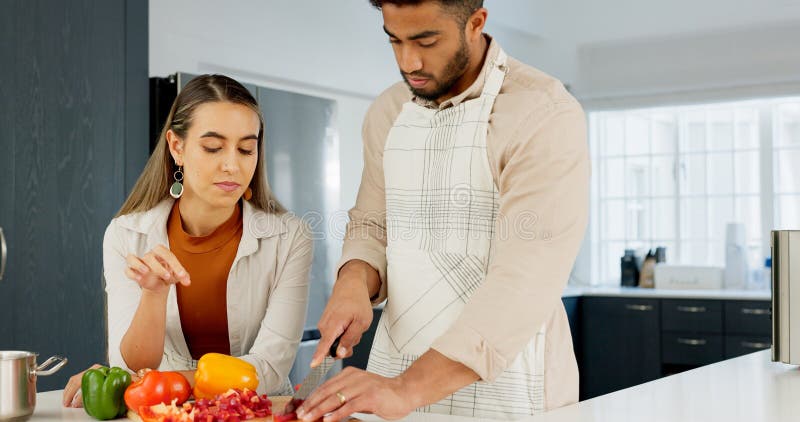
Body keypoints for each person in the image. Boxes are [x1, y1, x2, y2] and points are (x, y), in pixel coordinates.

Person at [299, 1, 590, 420]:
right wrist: (354, 281)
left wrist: (406, 389)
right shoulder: (388, 111)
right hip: (390, 381)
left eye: (426, 41)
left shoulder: (543, 113)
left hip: (508, 385)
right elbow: (372, 223)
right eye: (394, 40)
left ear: (476, 23)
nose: (407, 61)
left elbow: (524, 283)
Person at [62, 74, 312, 407]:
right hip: (166, 412)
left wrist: (144, 384)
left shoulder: (290, 237)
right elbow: (131, 365)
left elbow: (268, 368)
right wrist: (154, 294)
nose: (232, 165)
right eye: (213, 147)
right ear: (177, 147)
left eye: (246, 149)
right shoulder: (126, 235)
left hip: (253, 412)